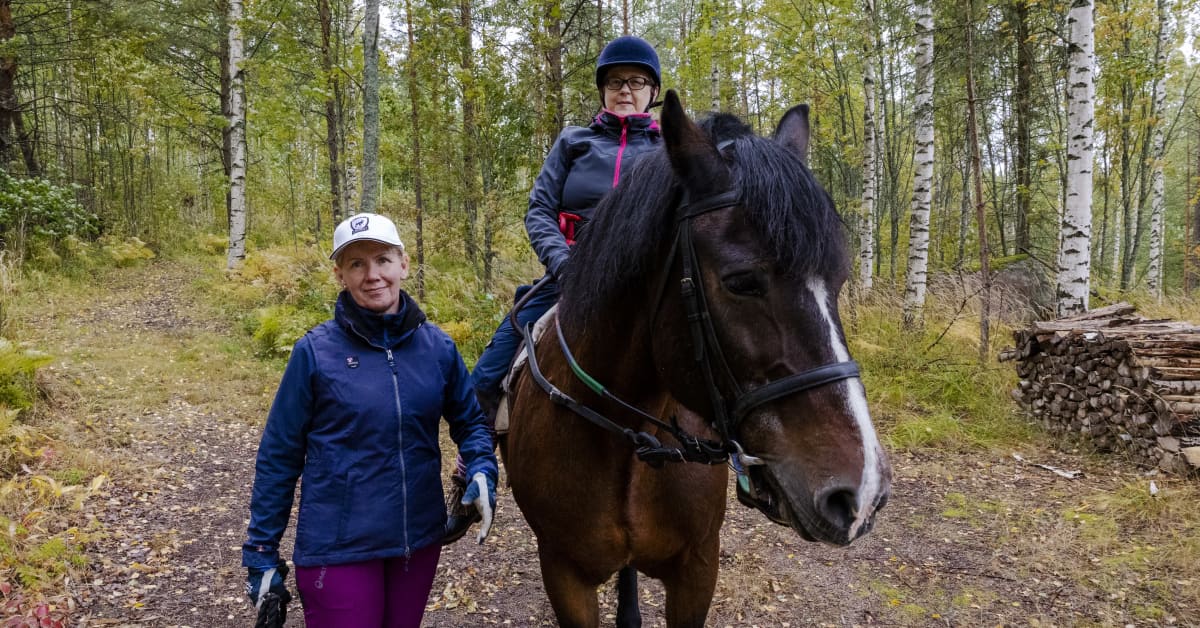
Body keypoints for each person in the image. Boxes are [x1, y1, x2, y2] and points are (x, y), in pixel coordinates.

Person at [443, 35, 664, 543]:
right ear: (602, 91)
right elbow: (539, 211)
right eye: (614, 82)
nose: (624, 90)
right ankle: (471, 479)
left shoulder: (666, 151)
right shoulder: (574, 143)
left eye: (635, 82)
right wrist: (564, 266)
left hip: (645, 289)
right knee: (484, 375)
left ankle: (745, 464)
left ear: (652, 91)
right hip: (568, 279)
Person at [243, 212, 499, 627]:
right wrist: (260, 556)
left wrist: (483, 467)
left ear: (404, 264)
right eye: (357, 264)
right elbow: (279, 456)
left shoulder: (437, 348)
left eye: (382, 259)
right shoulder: (314, 353)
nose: (372, 274)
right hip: (337, 547)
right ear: (340, 274)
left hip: (416, 542)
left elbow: (470, 421)